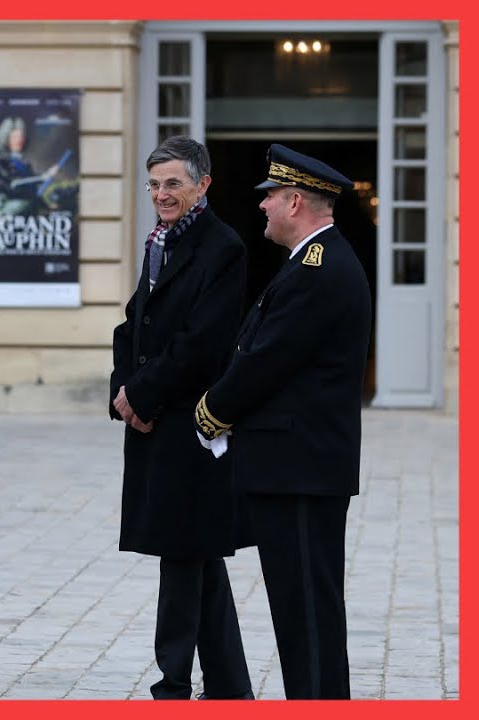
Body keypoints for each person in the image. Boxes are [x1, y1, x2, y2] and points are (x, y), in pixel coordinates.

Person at [195, 144, 370, 699]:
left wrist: (211, 411)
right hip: (298, 465)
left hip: (300, 468)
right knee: (303, 608)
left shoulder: (318, 269)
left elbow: (266, 359)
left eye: (270, 197)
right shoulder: (311, 264)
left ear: (295, 200)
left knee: (306, 610)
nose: (263, 207)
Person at [109, 136, 254, 700]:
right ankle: (230, 686)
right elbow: (132, 324)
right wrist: (122, 391)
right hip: (152, 416)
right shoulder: (157, 242)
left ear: (203, 185)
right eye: (153, 184)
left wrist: (142, 397)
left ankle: (172, 683)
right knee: (196, 553)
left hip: (188, 422)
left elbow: (202, 344)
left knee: (182, 553)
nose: (161, 194)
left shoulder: (223, 247)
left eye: (173, 183)